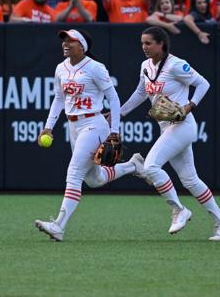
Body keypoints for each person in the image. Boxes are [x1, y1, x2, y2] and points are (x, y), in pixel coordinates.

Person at [119, 27, 220, 241]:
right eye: (142, 43)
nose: (144, 47)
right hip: (166, 126)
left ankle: (179, 209)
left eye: (148, 43)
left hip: (182, 125)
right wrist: (119, 113)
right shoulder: (145, 66)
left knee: (151, 166)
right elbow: (140, 92)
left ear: (161, 44)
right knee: (190, 180)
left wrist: (189, 106)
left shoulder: (175, 65)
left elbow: (203, 83)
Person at [34, 29, 142, 241]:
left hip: (94, 123)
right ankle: (133, 166)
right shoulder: (60, 68)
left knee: (74, 172)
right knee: (94, 179)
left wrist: (114, 131)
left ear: (82, 46)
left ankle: (58, 226)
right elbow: (58, 99)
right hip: (74, 126)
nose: (65, 43)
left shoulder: (95, 67)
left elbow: (113, 99)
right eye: (64, 40)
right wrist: (49, 126)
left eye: (70, 40)